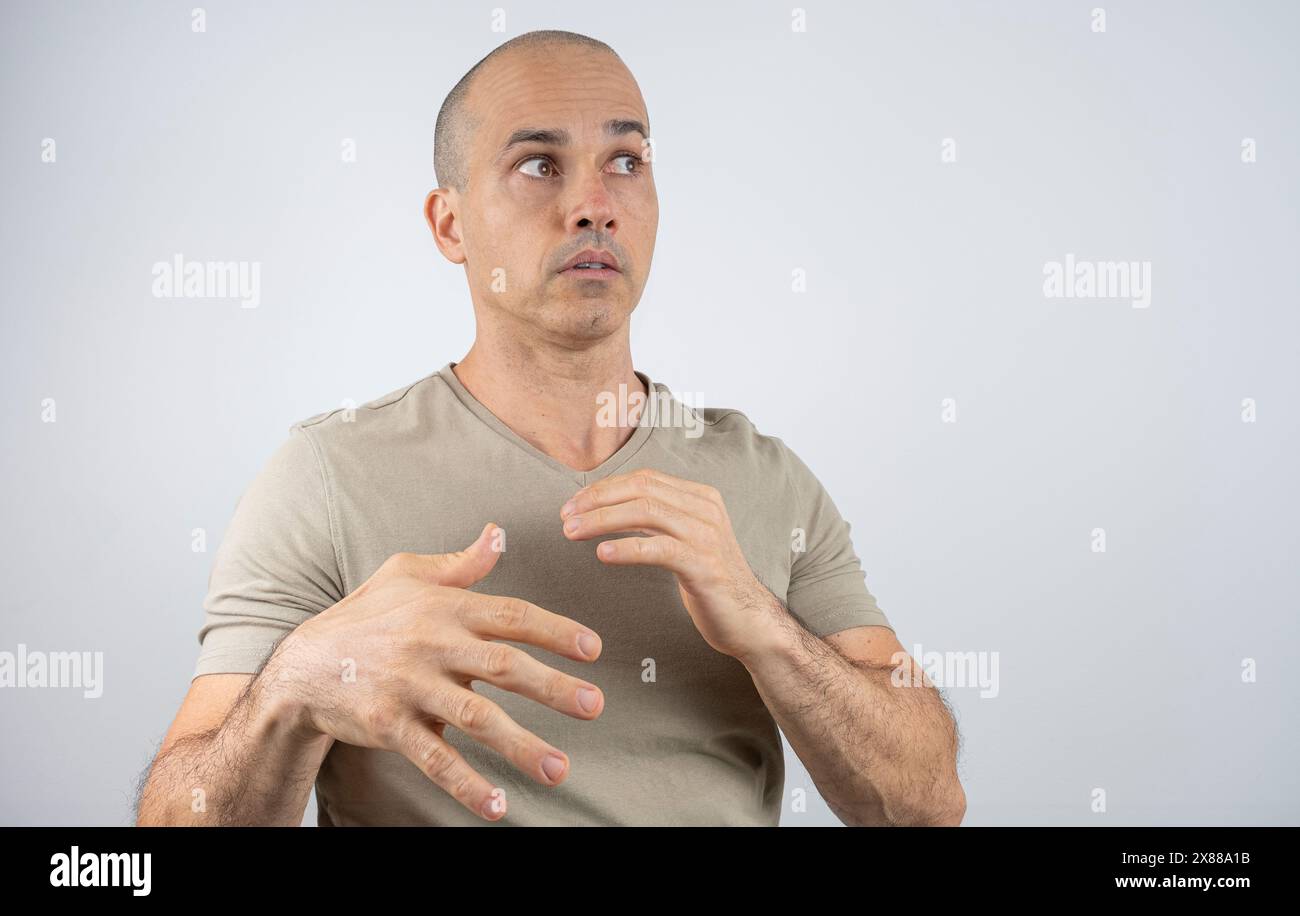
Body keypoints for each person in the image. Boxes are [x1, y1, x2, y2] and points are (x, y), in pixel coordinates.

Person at [135, 29, 964, 827]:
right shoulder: (323, 476)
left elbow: (926, 805)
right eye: (539, 165)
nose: (594, 207)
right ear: (450, 224)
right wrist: (298, 688)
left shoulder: (768, 477)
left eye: (626, 162)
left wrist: (768, 630)